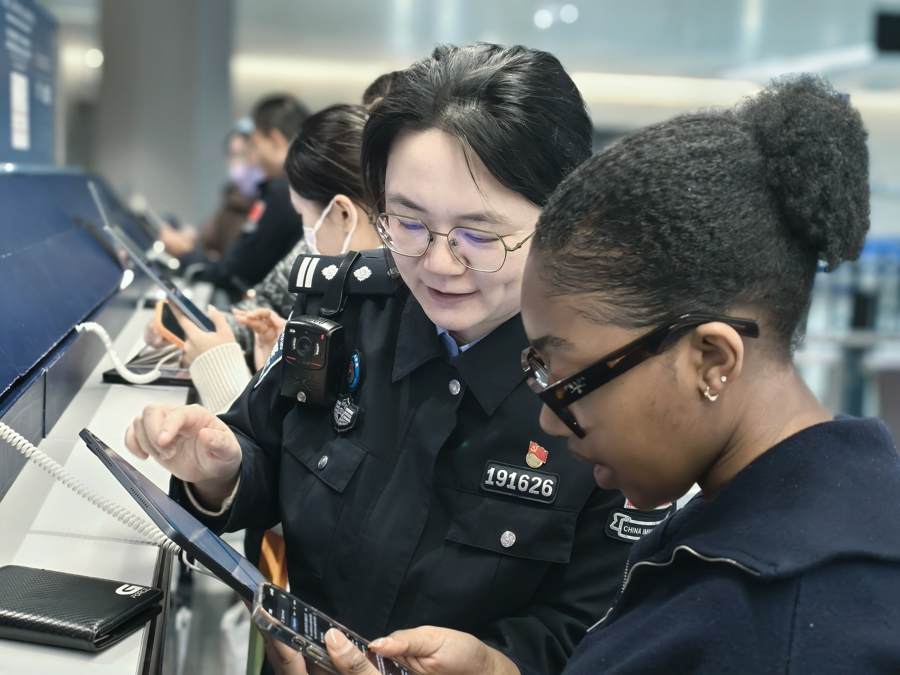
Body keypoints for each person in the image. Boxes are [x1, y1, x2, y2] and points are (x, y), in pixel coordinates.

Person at [278, 75, 900, 674]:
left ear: (711, 360)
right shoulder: (728, 527)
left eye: (568, 377)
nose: (549, 415)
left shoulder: (797, 623)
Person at [125, 44, 638, 675]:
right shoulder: (345, 307)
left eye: (480, 236)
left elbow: (597, 629)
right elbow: (263, 450)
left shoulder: (610, 389)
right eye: (409, 223)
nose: (440, 264)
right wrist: (220, 465)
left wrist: (496, 666)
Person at [180, 103, 384, 414]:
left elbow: (307, 452)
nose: (306, 235)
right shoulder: (357, 288)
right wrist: (282, 358)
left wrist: (222, 372)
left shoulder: (376, 308)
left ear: (343, 213)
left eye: (304, 216)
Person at [192, 95, 309, 297]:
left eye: (255, 145)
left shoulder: (282, 191)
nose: (253, 159)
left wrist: (187, 259)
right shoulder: (307, 184)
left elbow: (238, 268)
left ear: (275, 140)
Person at [160, 125, 263, 262]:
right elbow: (208, 239)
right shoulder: (233, 197)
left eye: (243, 154)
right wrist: (190, 237)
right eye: (232, 154)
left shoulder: (264, 202)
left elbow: (235, 261)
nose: (236, 162)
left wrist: (187, 249)